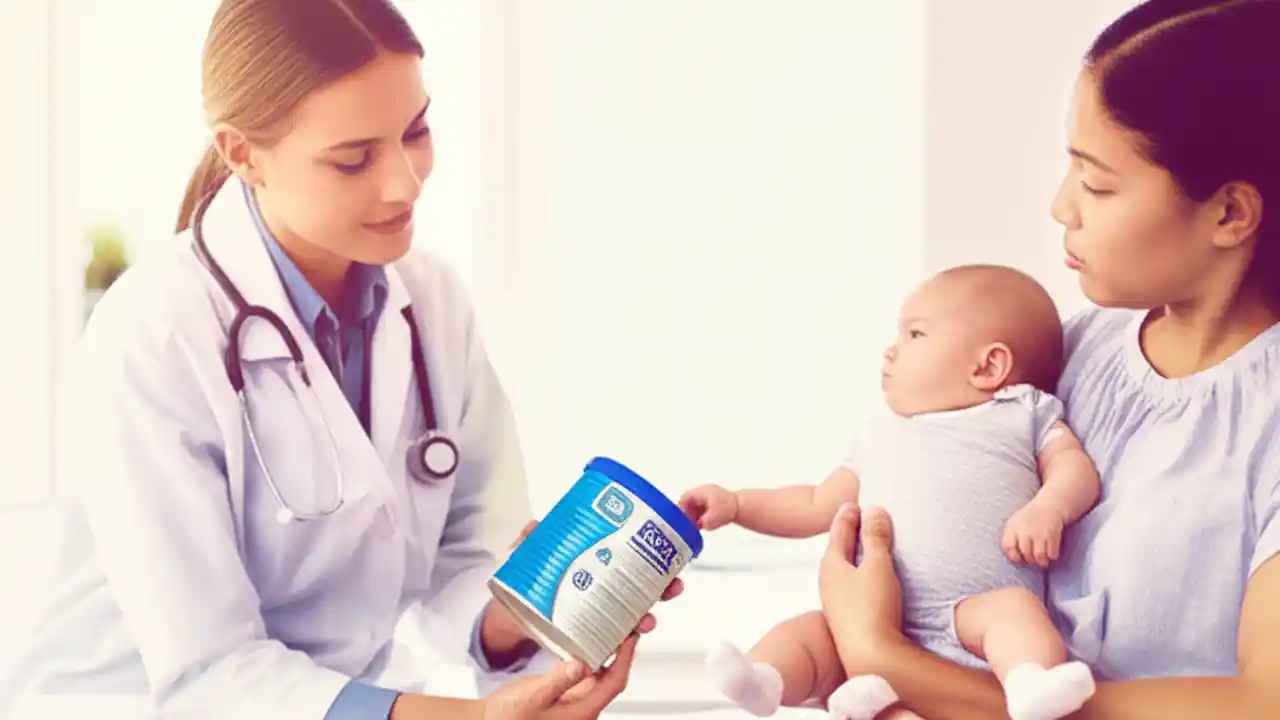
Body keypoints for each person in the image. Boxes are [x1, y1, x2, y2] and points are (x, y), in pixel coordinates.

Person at [2, 1, 681, 718]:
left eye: (415, 131)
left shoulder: (433, 307)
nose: (404, 183)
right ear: (241, 153)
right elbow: (209, 674)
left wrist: (521, 619)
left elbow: (467, 562)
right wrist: (473, 719)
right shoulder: (153, 336)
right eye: (353, 158)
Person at [815, 1, 1280, 718]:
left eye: (1097, 184)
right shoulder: (1075, 353)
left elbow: (1262, 703)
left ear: (1229, 214)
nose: (1062, 207)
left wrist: (884, 656)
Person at [685, 266, 1100, 720]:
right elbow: (815, 504)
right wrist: (739, 504)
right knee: (811, 633)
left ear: (988, 366)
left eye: (915, 334)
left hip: (970, 615)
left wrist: (1049, 507)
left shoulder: (1023, 413)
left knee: (1015, 612)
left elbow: (1073, 468)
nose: (890, 350)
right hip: (877, 614)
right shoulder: (878, 437)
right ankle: (766, 679)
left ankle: (1028, 684)